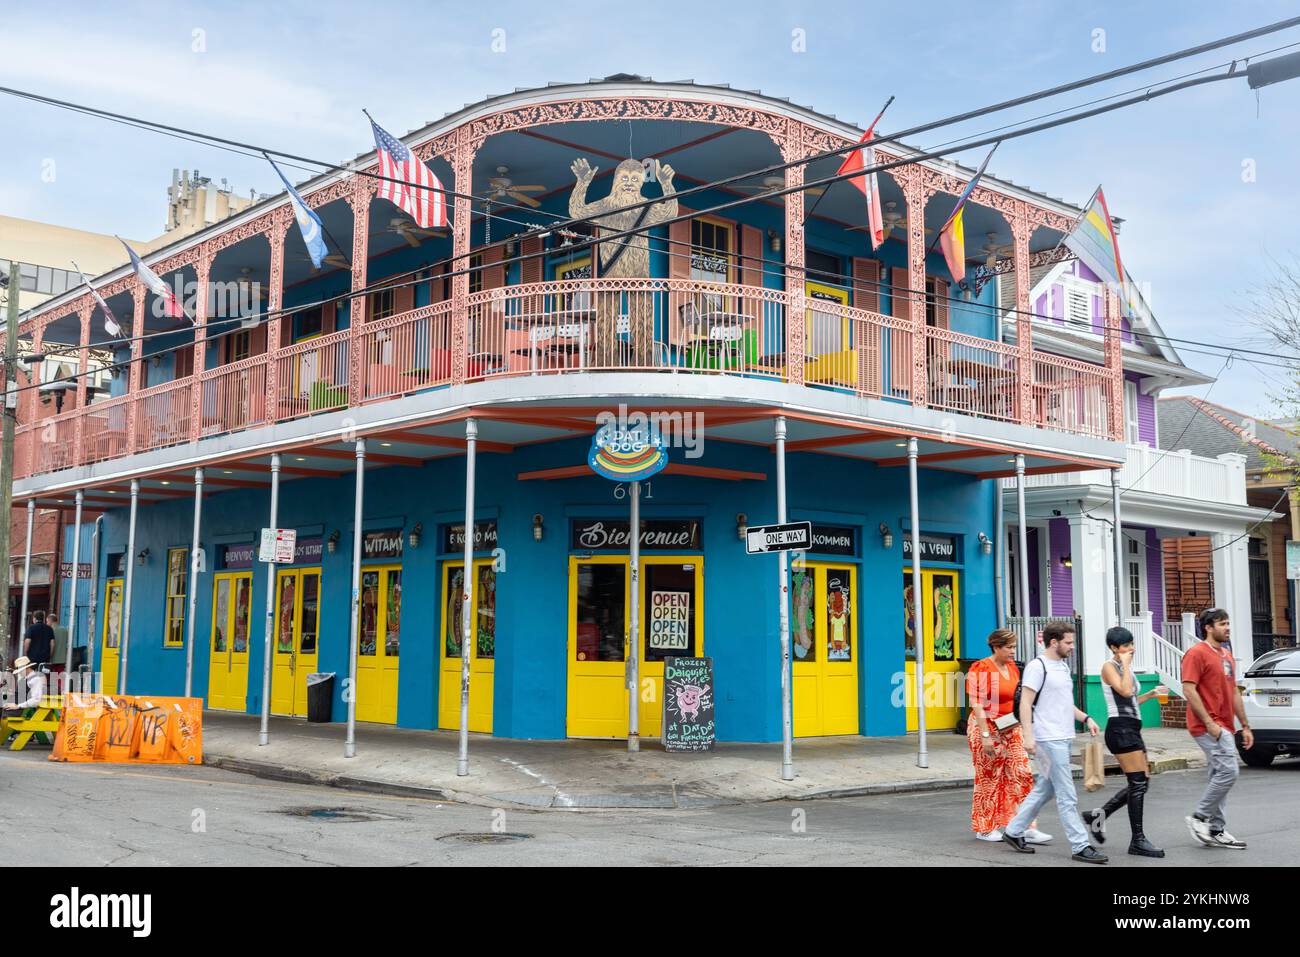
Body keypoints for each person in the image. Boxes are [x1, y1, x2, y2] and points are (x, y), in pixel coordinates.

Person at [1002, 620, 1108, 863]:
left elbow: (1062, 703)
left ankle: (1013, 831)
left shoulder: (1060, 666)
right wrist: (1028, 736)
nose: (1072, 647)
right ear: (1054, 642)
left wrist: (1087, 717)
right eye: (1068, 642)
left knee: (1045, 789)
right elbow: (1025, 703)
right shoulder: (1037, 667)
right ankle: (1080, 845)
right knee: (1066, 793)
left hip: (1063, 735)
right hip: (1048, 738)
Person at [1081, 626, 1166, 857]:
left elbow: (1130, 699)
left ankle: (1098, 815)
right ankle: (1137, 840)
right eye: (1126, 646)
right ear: (1114, 648)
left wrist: (1150, 695)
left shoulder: (1123, 668)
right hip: (1120, 731)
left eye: (1131, 644)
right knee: (1138, 783)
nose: (1131, 649)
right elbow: (1125, 691)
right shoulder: (1109, 667)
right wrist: (1126, 664)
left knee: (1142, 782)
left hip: (1131, 729)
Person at [1182, 608, 1251, 849]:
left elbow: (1233, 692)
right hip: (1207, 725)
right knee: (1229, 772)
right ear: (1208, 628)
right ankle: (1200, 817)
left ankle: (1216, 829)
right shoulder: (1196, 654)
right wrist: (1210, 723)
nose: (1227, 627)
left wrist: (1245, 726)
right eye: (1222, 624)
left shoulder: (1226, 655)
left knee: (1218, 774)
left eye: (1228, 623)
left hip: (1225, 725)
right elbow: (1189, 689)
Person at [966, 629, 1038, 843]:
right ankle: (985, 828)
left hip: (1009, 726)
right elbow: (976, 703)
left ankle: (1022, 826)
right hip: (985, 726)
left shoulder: (1013, 667)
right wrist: (986, 736)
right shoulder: (980, 668)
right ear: (996, 647)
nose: (1013, 651)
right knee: (989, 777)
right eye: (1009, 647)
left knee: (1022, 772)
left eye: (1014, 647)